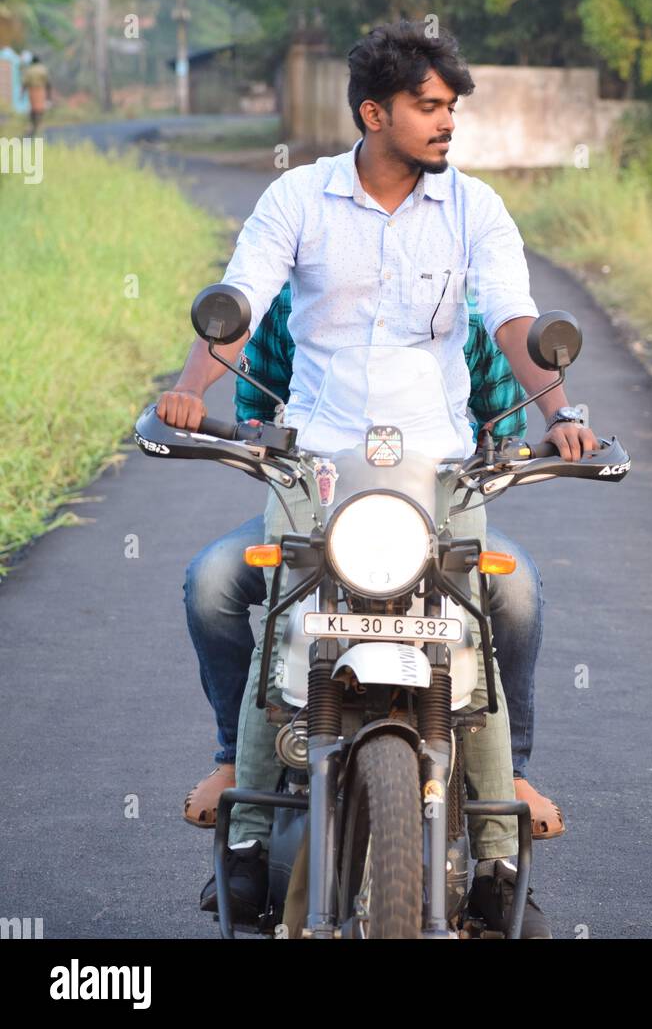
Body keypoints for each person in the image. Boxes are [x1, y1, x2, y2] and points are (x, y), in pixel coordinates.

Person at [157, 19, 597, 937]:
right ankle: (244, 809)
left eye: (451, 109)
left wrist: (561, 414)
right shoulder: (298, 199)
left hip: (439, 473)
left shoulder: (475, 207)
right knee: (217, 587)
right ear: (373, 112)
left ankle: (498, 813)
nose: (446, 125)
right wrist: (190, 392)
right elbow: (239, 307)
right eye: (427, 107)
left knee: (509, 604)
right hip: (314, 467)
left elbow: (516, 323)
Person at [182, 285, 564, 840]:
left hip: (434, 513)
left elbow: (503, 431)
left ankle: (513, 776)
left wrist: (539, 435)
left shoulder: (472, 314)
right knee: (210, 581)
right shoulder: (290, 305)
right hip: (317, 508)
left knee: (518, 589)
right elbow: (256, 419)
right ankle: (236, 757)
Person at [22, 55, 49, 137]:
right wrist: (49, 94)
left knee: (33, 108)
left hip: (32, 90)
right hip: (41, 89)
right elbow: (47, 81)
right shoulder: (43, 69)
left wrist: (22, 93)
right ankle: (38, 125)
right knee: (40, 108)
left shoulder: (29, 70)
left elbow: (25, 83)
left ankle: (33, 125)